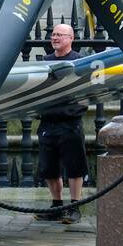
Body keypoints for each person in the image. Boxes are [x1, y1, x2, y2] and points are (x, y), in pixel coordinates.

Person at [34, 23, 87, 225]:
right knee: (49, 167)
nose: (55, 38)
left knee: (75, 166)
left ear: (71, 38)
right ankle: (56, 205)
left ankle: (74, 207)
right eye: (53, 34)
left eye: (60, 35)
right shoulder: (44, 61)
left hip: (70, 121)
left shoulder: (80, 61)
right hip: (48, 120)